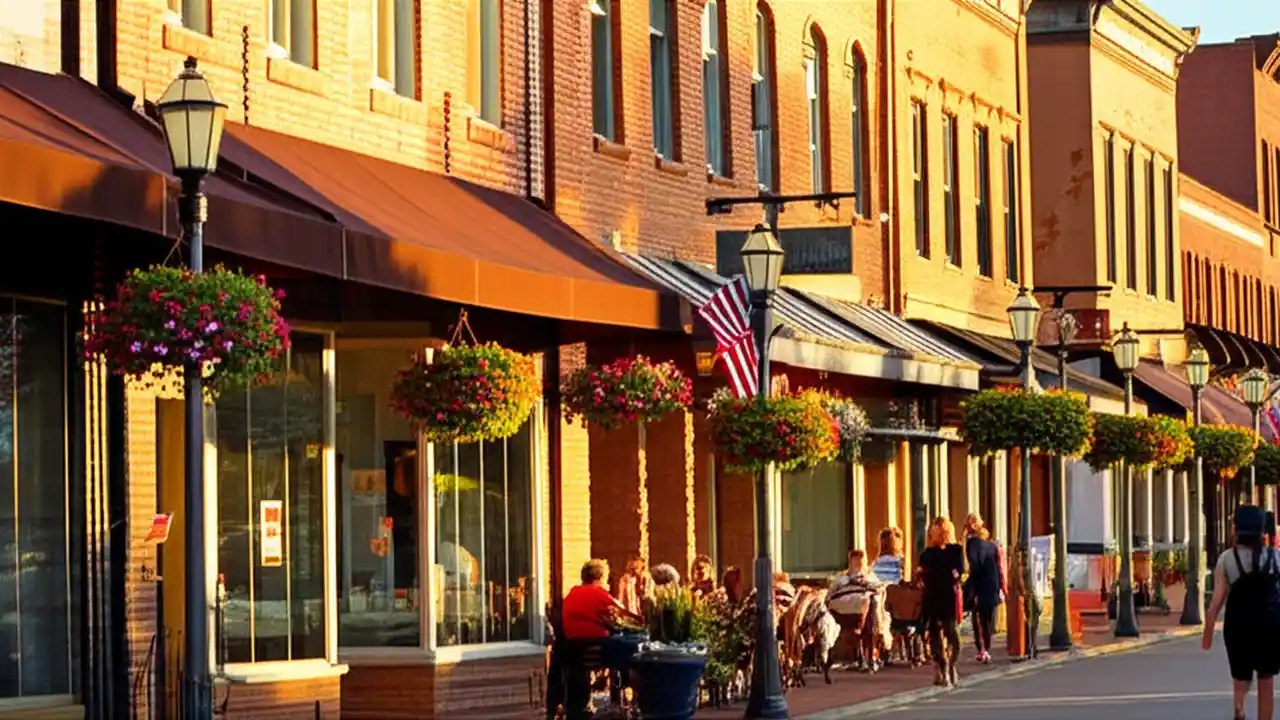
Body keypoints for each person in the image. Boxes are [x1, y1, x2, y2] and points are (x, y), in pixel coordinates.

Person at [1204, 505, 1280, 720]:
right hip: (1270, 625)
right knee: (1266, 680)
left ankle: (1239, 705)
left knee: (1240, 676)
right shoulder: (1275, 557)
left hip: (1238, 625)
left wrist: (1207, 634)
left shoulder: (1227, 558)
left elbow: (1217, 600)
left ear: (1236, 529)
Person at [920, 516, 965, 687]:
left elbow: (959, 570)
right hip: (931, 596)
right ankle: (941, 665)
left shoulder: (955, 550)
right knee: (934, 635)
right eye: (932, 528)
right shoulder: (927, 553)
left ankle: (951, 663)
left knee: (951, 632)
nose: (933, 531)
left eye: (937, 528)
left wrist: (955, 575)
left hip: (948, 596)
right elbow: (923, 571)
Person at [963, 513, 1006, 664]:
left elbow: (975, 566)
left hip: (980, 585)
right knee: (987, 620)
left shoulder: (972, 543)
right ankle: (986, 649)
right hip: (992, 583)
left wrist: (969, 586)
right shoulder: (992, 545)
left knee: (977, 619)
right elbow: (998, 566)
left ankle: (981, 649)